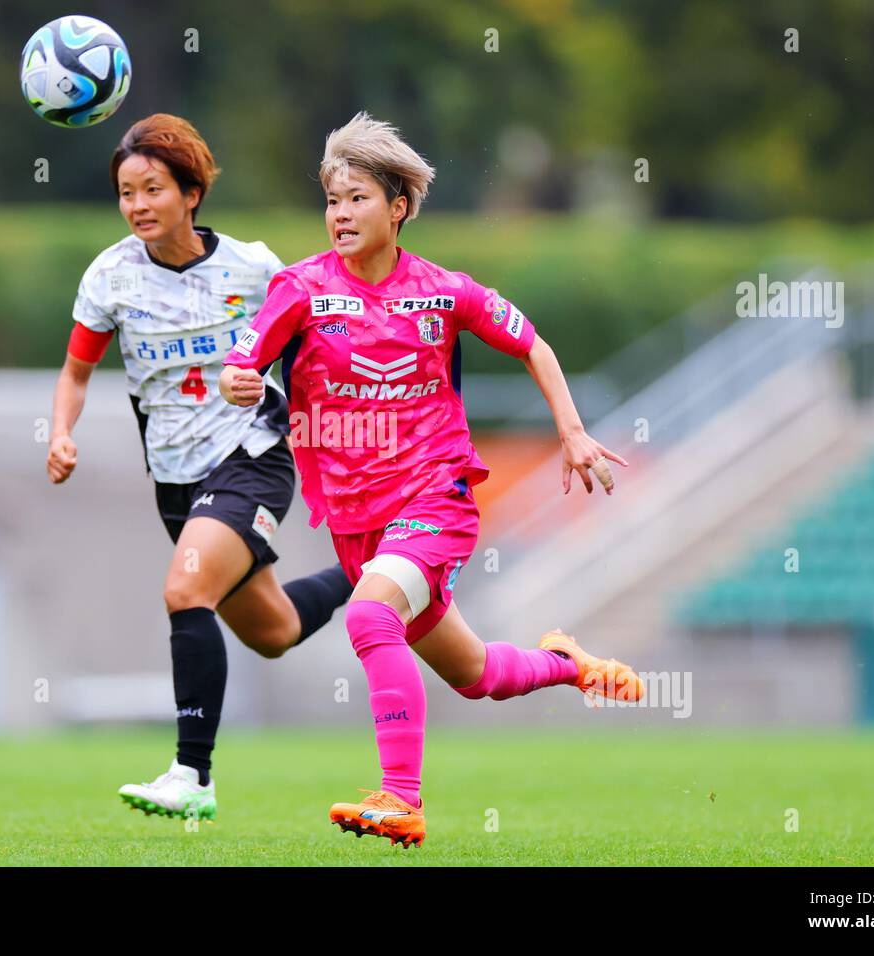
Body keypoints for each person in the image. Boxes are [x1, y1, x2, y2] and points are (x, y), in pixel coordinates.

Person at [219, 112, 643, 847]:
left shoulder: (446, 293)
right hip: (357, 524)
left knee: (367, 618)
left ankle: (401, 799)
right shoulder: (299, 289)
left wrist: (572, 432)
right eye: (331, 199)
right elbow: (241, 367)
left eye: (357, 198)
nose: (340, 214)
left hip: (433, 498)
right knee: (475, 673)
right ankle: (569, 665)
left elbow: (533, 344)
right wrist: (238, 384)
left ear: (399, 207)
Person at [48, 113, 352, 822]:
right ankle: (377, 569)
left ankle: (193, 774)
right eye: (126, 193)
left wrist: (278, 387)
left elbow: (317, 356)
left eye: (152, 188)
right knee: (272, 631)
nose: (138, 206)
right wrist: (61, 432)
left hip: (253, 456)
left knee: (186, 591)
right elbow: (75, 373)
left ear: (192, 192)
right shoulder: (110, 277)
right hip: (177, 481)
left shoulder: (254, 268)